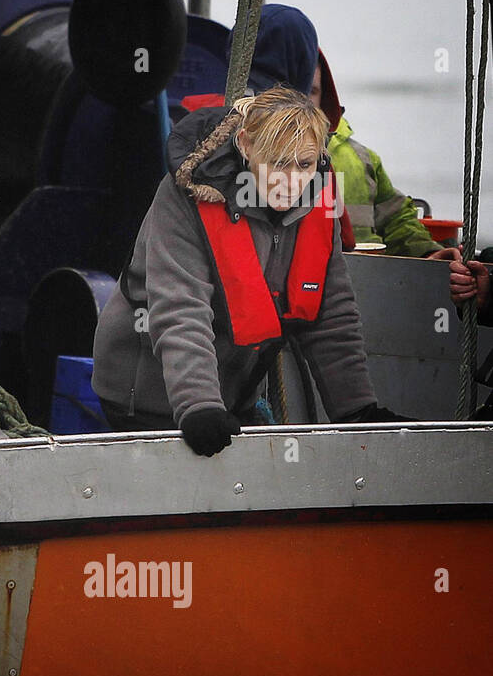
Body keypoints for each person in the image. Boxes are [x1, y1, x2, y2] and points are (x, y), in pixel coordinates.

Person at [92, 86, 406, 456]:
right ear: (245, 144)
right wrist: (199, 407)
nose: (290, 181)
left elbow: (332, 313)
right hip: (145, 393)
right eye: (277, 163)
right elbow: (180, 309)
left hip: (232, 394)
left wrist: (357, 409)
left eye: (304, 164)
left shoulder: (318, 205)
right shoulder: (187, 197)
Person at [311, 51, 450, 258]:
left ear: (325, 97)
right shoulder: (251, 162)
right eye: (294, 89)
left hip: (370, 284)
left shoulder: (361, 157)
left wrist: (428, 254)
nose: (301, 101)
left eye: (311, 91)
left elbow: (396, 220)